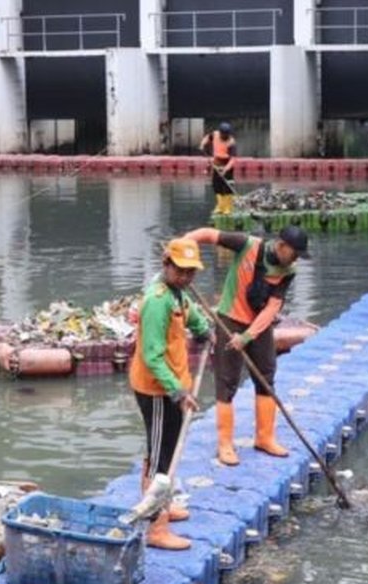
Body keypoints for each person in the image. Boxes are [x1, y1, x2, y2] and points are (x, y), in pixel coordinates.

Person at [183, 225, 309, 466]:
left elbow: (273, 307)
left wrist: (248, 336)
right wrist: (185, 243)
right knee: (227, 381)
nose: (296, 260)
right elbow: (210, 235)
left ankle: (264, 437)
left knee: (266, 377)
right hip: (230, 318)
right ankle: (225, 444)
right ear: (282, 246)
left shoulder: (288, 271)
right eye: (295, 253)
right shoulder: (247, 244)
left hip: (258, 326)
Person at [129, 237, 212, 550]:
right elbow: (152, 355)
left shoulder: (178, 295)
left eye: (191, 272)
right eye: (181, 270)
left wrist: (205, 330)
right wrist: (177, 391)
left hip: (172, 385)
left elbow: (190, 316)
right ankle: (156, 528)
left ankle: (161, 507)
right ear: (166, 265)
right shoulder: (158, 300)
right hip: (157, 390)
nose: (187, 277)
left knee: (164, 448)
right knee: (162, 458)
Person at [200, 122, 237, 216]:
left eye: (226, 134)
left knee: (227, 186)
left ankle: (228, 207)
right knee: (216, 185)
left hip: (227, 162)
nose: (224, 136)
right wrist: (203, 144)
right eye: (223, 134)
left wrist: (225, 170)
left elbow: (233, 159)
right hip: (217, 161)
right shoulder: (215, 134)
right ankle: (220, 206)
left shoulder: (231, 143)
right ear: (220, 132)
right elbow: (207, 138)